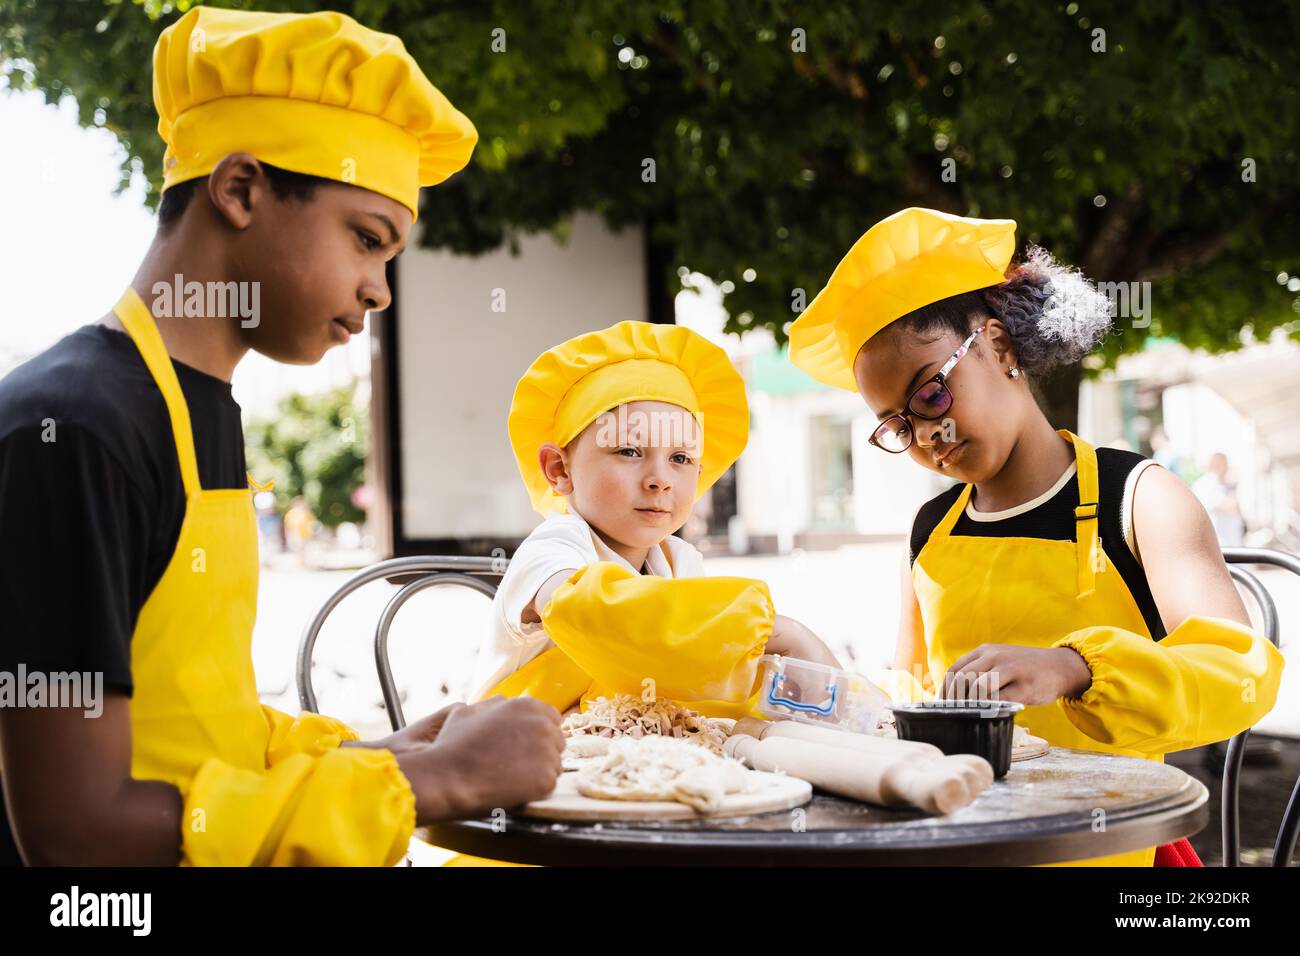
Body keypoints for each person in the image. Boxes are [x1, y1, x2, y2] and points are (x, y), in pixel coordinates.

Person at [0, 6, 563, 867]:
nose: (379, 291)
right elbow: (76, 838)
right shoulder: (75, 431)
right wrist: (427, 787)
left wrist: (395, 755)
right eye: (368, 241)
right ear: (239, 190)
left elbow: (192, 734)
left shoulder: (201, 407)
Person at [787, 207, 1285, 866]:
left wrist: (1077, 669)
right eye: (899, 427)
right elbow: (912, 695)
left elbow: (1239, 675)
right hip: (960, 844)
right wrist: (819, 676)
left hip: (1104, 851)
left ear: (999, 346)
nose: (928, 437)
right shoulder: (931, 533)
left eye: (932, 394)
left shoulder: (1137, 500)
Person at [473, 321, 841, 714]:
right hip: (512, 757)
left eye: (680, 459)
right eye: (629, 451)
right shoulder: (552, 552)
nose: (659, 480)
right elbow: (593, 611)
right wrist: (770, 631)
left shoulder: (678, 562)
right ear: (559, 469)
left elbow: (697, 669)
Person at [1192, 452, 1247, 548]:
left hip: (1232, 542)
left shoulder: (1225, 484)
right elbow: (1227, 506)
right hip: (1218, 544)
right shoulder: (1205, 485)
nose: (1227, 469)